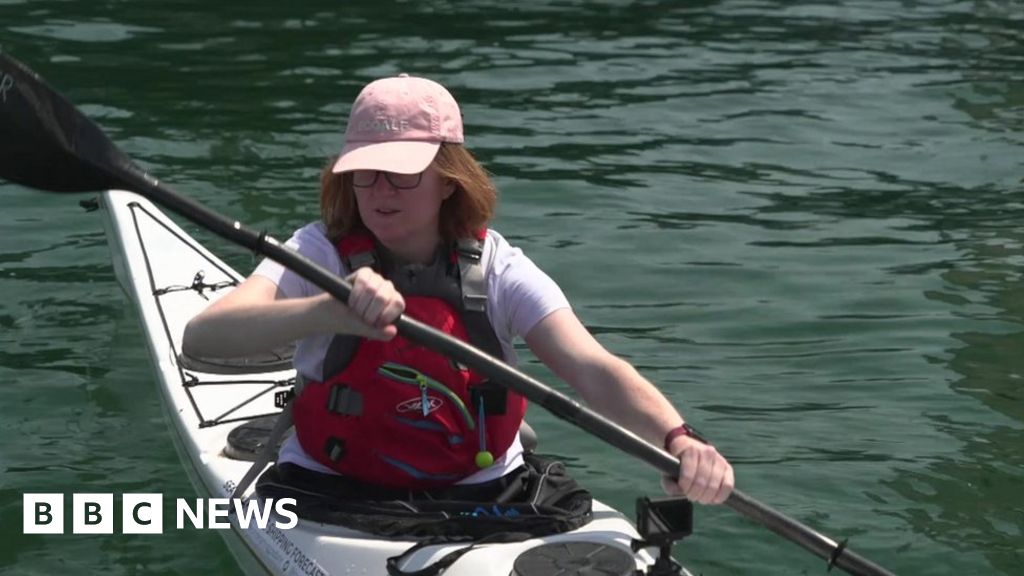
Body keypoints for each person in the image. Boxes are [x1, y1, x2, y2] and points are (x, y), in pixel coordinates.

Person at [182, 73, 733, 505]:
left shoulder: (498, 269)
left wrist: (678, 440)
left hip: (485, 493)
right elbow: (205, 337)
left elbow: (592, 366)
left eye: (401, 173)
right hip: (328, 485)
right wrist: (325, 310)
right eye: (365, 172)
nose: (378, 192)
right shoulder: (318, 252)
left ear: (448, 178)